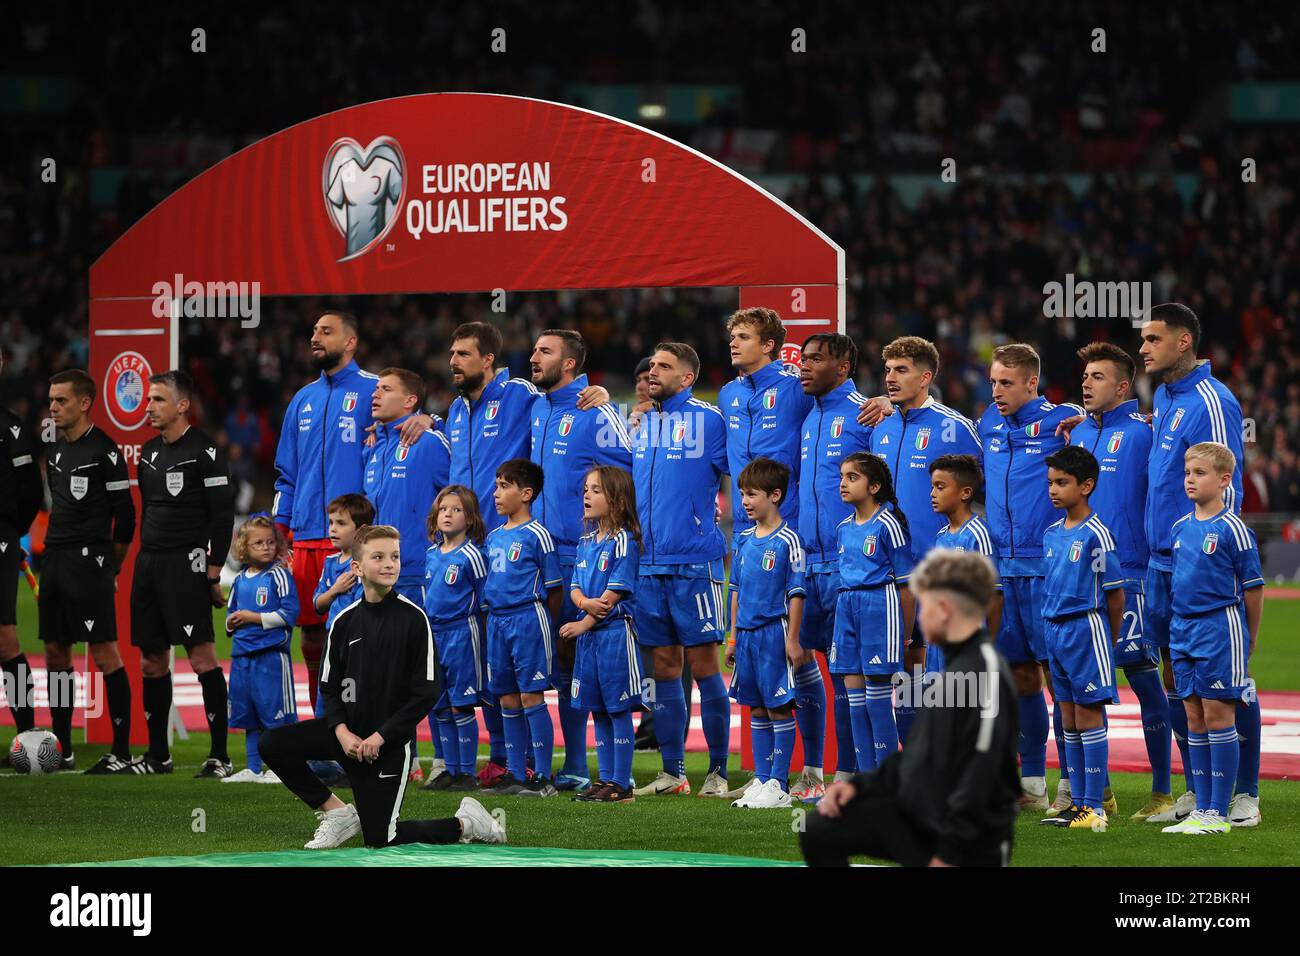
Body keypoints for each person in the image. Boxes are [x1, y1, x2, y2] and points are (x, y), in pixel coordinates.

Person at [258, 524, 506, 850]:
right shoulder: (344, 621)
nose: (389, 564)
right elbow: (330, 689)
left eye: (395, 556)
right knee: (273, 744)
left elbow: (426, 692)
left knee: (381, 839)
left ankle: (466, 823)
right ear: (357, 567)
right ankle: (336, 813)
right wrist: (342, 732)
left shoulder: (414, 619)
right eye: (378, 557)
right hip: (346, 738)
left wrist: (381, 736)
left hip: (386, 747)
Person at [445, 321, 606, 787]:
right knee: (494, 663)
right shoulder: (455, 411)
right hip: (477, 552)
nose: (453, 362)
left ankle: (571, 763)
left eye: (462, 354)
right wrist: (418, 420)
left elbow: (568, 402)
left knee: (564, 656)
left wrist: (602, 397)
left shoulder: (521, 395)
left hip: (535, 546)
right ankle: (505, 758)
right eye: (451, 354)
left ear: (488, 360)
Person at [801, 550, 1018, 867]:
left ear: (944, 610)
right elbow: (917, 756)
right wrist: (858, 788)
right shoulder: (951, 668)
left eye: (923, 604)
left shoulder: (984, 671)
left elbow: (980, 775)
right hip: (924, 818)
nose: (918, 616)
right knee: (819, 828)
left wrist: (949, 854)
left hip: (972, 841)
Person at [273, 311, 434, 711]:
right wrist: (281, 526)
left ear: (350, 342)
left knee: (359, 636)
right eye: (313, 331)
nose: (315, 337)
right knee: (311, 638)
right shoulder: (301, 400)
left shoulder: (372, 391)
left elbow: (410, 421)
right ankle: (323, 729)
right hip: (307, 533)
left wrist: (430, 419)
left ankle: (364, 726)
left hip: (356, 540)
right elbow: (286, 472)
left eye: (326, 332)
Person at [1135, 305, 1257, 829]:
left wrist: (1207, 557)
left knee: (1229, 683)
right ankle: (1199, 790)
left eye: (1153, 339)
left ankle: (1245, 794)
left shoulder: (1213, 401)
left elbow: (1225, 482)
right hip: (1159, 560)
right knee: (1179, 681)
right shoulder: (1163, 395)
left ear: (1184, 341)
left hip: (1196, 564)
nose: (1143, 348)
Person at [1067, 342, 1171, 821]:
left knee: (1145, 681)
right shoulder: (1078, 432)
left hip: (1130, 573)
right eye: (1085, 376)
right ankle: (1096, 793)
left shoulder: (1144, 434)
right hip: (1078, 579)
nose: (1087, 383)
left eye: (1098, 377)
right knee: (1078, 684)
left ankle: (1163, 792)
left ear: (1123, 386)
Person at [529, 329, 633, 790]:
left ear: (570, 363)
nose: (533, 356)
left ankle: (582, 765)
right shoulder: (537, 406)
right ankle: (564, 765)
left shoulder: (595, 409)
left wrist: (615, 538)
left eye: (544, 351)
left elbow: (630, 470)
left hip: (582, 554)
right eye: (534, 349)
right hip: (541, 555)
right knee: (554, 661)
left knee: (579, 659)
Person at [977, 344, 1080, 810]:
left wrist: (1079, 413)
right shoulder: (988, 424)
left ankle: (1078, 782)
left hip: (1047, 566)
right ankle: (1034, 783)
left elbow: (1091, 417)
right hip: (1003, 568)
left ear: (1031, 383)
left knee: (1060, 677)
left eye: (1006, 383)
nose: (996, 391)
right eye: (993, 381)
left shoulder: (1061, 422)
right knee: (1019, 676)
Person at [866, 337, 983, 744]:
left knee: (948, 673)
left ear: (926, 376)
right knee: (901, 669)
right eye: (888, 370)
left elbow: (982, 483)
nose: (891, 378)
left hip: (936, 575)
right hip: (887, 573)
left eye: (901, 370)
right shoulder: (878, 426)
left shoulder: (954, 426)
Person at [630, 343, 732, 798]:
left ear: (688, 377)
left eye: (664, 366)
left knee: (705, 664)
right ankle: (672, 773)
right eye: (652, 365)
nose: (653, 371)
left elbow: (741, 469)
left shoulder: (709, 420)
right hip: (647, 564)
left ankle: (719, 772)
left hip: (694, 561)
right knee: (666, 666)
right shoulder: (641, 423)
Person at [130, 370, 236, 776]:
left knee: (201, 658)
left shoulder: (206, 452)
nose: (149, 407)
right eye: (148, 400)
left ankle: (220, 756)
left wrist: (211, 571)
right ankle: (158, 755)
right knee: (151, 661)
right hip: (149, 563)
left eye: (157, 399)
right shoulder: (149, 453)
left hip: (185, 563)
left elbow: (222, 516)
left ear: (182, 405)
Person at [32, 369, 135, 773]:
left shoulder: (105, 452)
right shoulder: (56, 452)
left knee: (104, 651)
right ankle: (63, 747)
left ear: (85, 402)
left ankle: (122, 751)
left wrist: (111, 564)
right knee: (56, 653)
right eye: (52, 400)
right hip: (54, 558)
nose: (53, 407)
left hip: (90, 559)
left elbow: (125, 519)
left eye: (61, 401)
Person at [1160, 443, 1264, 836]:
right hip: (1182, 629)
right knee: (1193, 717)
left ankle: (1218, 812)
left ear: (1224, 480)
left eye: (1199, 473)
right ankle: (1202, 808)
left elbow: (1253, 588)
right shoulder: (1179, 528)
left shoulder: (1233, 529)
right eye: (1187, 472)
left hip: (1219, 628)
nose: (1190, 479)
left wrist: (1249, 637)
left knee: (1219, 714)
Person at [795, 332, 873, 798]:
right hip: (811, 562)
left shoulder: (865, 414)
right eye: (802, 358)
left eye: (815, 359)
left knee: (854, 675)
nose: (804, 366)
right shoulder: (809, 417)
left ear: (842, 367)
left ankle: (854, 773)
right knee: (816, 665)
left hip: (850, 566)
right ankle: (821, 774)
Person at [1036, 446, 1124, 832]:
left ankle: (1094, 806)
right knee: (1067, 716)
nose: (1053, 490)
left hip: (1086, 628)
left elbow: (1114, 592)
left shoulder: (1097, 536)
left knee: (1088, 714)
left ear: (1086, 485)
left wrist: (1109, 637)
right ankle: (1077, 804)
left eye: (1062, 483)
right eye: (1051, 482)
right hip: (1054, 630)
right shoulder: (1052, 534)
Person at [725, 458, 806, 810]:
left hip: (774, 632)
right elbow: (735, 590)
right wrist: (731, 637)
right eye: (742, 493)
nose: (744, 501)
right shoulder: (742, 539)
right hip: (745, 636)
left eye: (752, 494)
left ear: (775, 496)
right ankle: (760, 778)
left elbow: (796, 593)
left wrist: (793, 639)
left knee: (778, 707)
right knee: (755, 707)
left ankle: (778, 782)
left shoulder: (790, 540)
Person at [479, 459, 563, 797]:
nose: (496, 494)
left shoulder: (538, 536)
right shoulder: (494, 536)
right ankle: (515, 772)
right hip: (497, 621)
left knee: (530, 694)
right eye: (497, 485)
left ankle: (542, 776)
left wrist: (547, 625)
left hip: (528, 618)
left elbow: (555, 588)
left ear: (526, 493)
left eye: (504, 487)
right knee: (507, 697)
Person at [560, 465, 643, 803]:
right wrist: (582, 602)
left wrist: (584, 621)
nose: (587, 496)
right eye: (585, 490)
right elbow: (576, 587)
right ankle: (606, 779)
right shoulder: (584, 542)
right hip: (591, 640)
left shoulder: (623, 540)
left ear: (617, 500)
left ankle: (622, 785)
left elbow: (613, 595)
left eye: (595, 490)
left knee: (617, 708)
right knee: (597, 708)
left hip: (614, 638)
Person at [832, 452, 915, 772]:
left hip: (879, 608)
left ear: (874, 487)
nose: (843, 484)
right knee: (855, 705)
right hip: (847, 608)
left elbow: (907, 586)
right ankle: (866, 781)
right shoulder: (842, 528)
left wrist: (904, 636)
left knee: (878, 702)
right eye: (842, 477)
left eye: (852, 478)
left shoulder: (888, 524)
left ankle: (887, 782)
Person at [718, 308, 812, 547]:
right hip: (742, 525)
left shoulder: (797, 388)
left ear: (768, 345)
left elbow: (839, 406)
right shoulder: (729, 393)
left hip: (785, 520)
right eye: (732, 337)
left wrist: (883, 402)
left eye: (744, 337)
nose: (733, 343)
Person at [363, 367, 452, 605]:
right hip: (378, 573)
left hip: (418, 573)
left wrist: (434, 420)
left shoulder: (429, 442)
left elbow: (460, 494)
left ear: (410, 401)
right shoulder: (372, 449)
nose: (375, 395)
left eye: (386, 389)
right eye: (376, 389)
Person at [421, 485, 489, 793]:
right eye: (443, 509)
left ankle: (466, 771)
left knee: (461, 704)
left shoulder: (473, 555)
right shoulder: (431, 555)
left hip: (462, 632)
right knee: (440, 704)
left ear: (470, 518)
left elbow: (485, 598)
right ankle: (448, 769)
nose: (448, 514)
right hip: (434, 634)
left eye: (456, 510)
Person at [222, 516, 298, 784]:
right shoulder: (240, 580)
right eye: (258, 543)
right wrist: (231, 622)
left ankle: (281, 768)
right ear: (243, 547)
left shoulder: (278, 575)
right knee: (250, 716)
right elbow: (231, 615)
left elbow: (290, 614)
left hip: (271, 657)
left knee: (276, 717)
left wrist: (253, 617)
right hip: (243, 657)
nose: (266, 547)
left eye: (270, 542)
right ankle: (254, 768)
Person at [309, 492, 375, 784]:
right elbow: (317, 604)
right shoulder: (329, 563)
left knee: (356, 702)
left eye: (340, 523)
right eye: (331, 522)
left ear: (360, 530)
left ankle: (357, 762)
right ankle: (324, 763)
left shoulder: (371, 563)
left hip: (358, 646)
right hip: (332, 643)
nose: (332, 529)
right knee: (328, 699)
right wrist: (335, 589)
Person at [0, 346, 43, 763]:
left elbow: (31, 492)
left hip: (0, 537)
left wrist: (10, 534)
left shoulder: (12, 429)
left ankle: (27, 734)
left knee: (5, 638)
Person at [928, 454, 1002, 675]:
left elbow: (994, 597)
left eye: (940, 487)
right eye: (932, 487)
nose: (932, 494)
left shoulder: (978, 534)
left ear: (965, 492)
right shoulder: (941, 535)